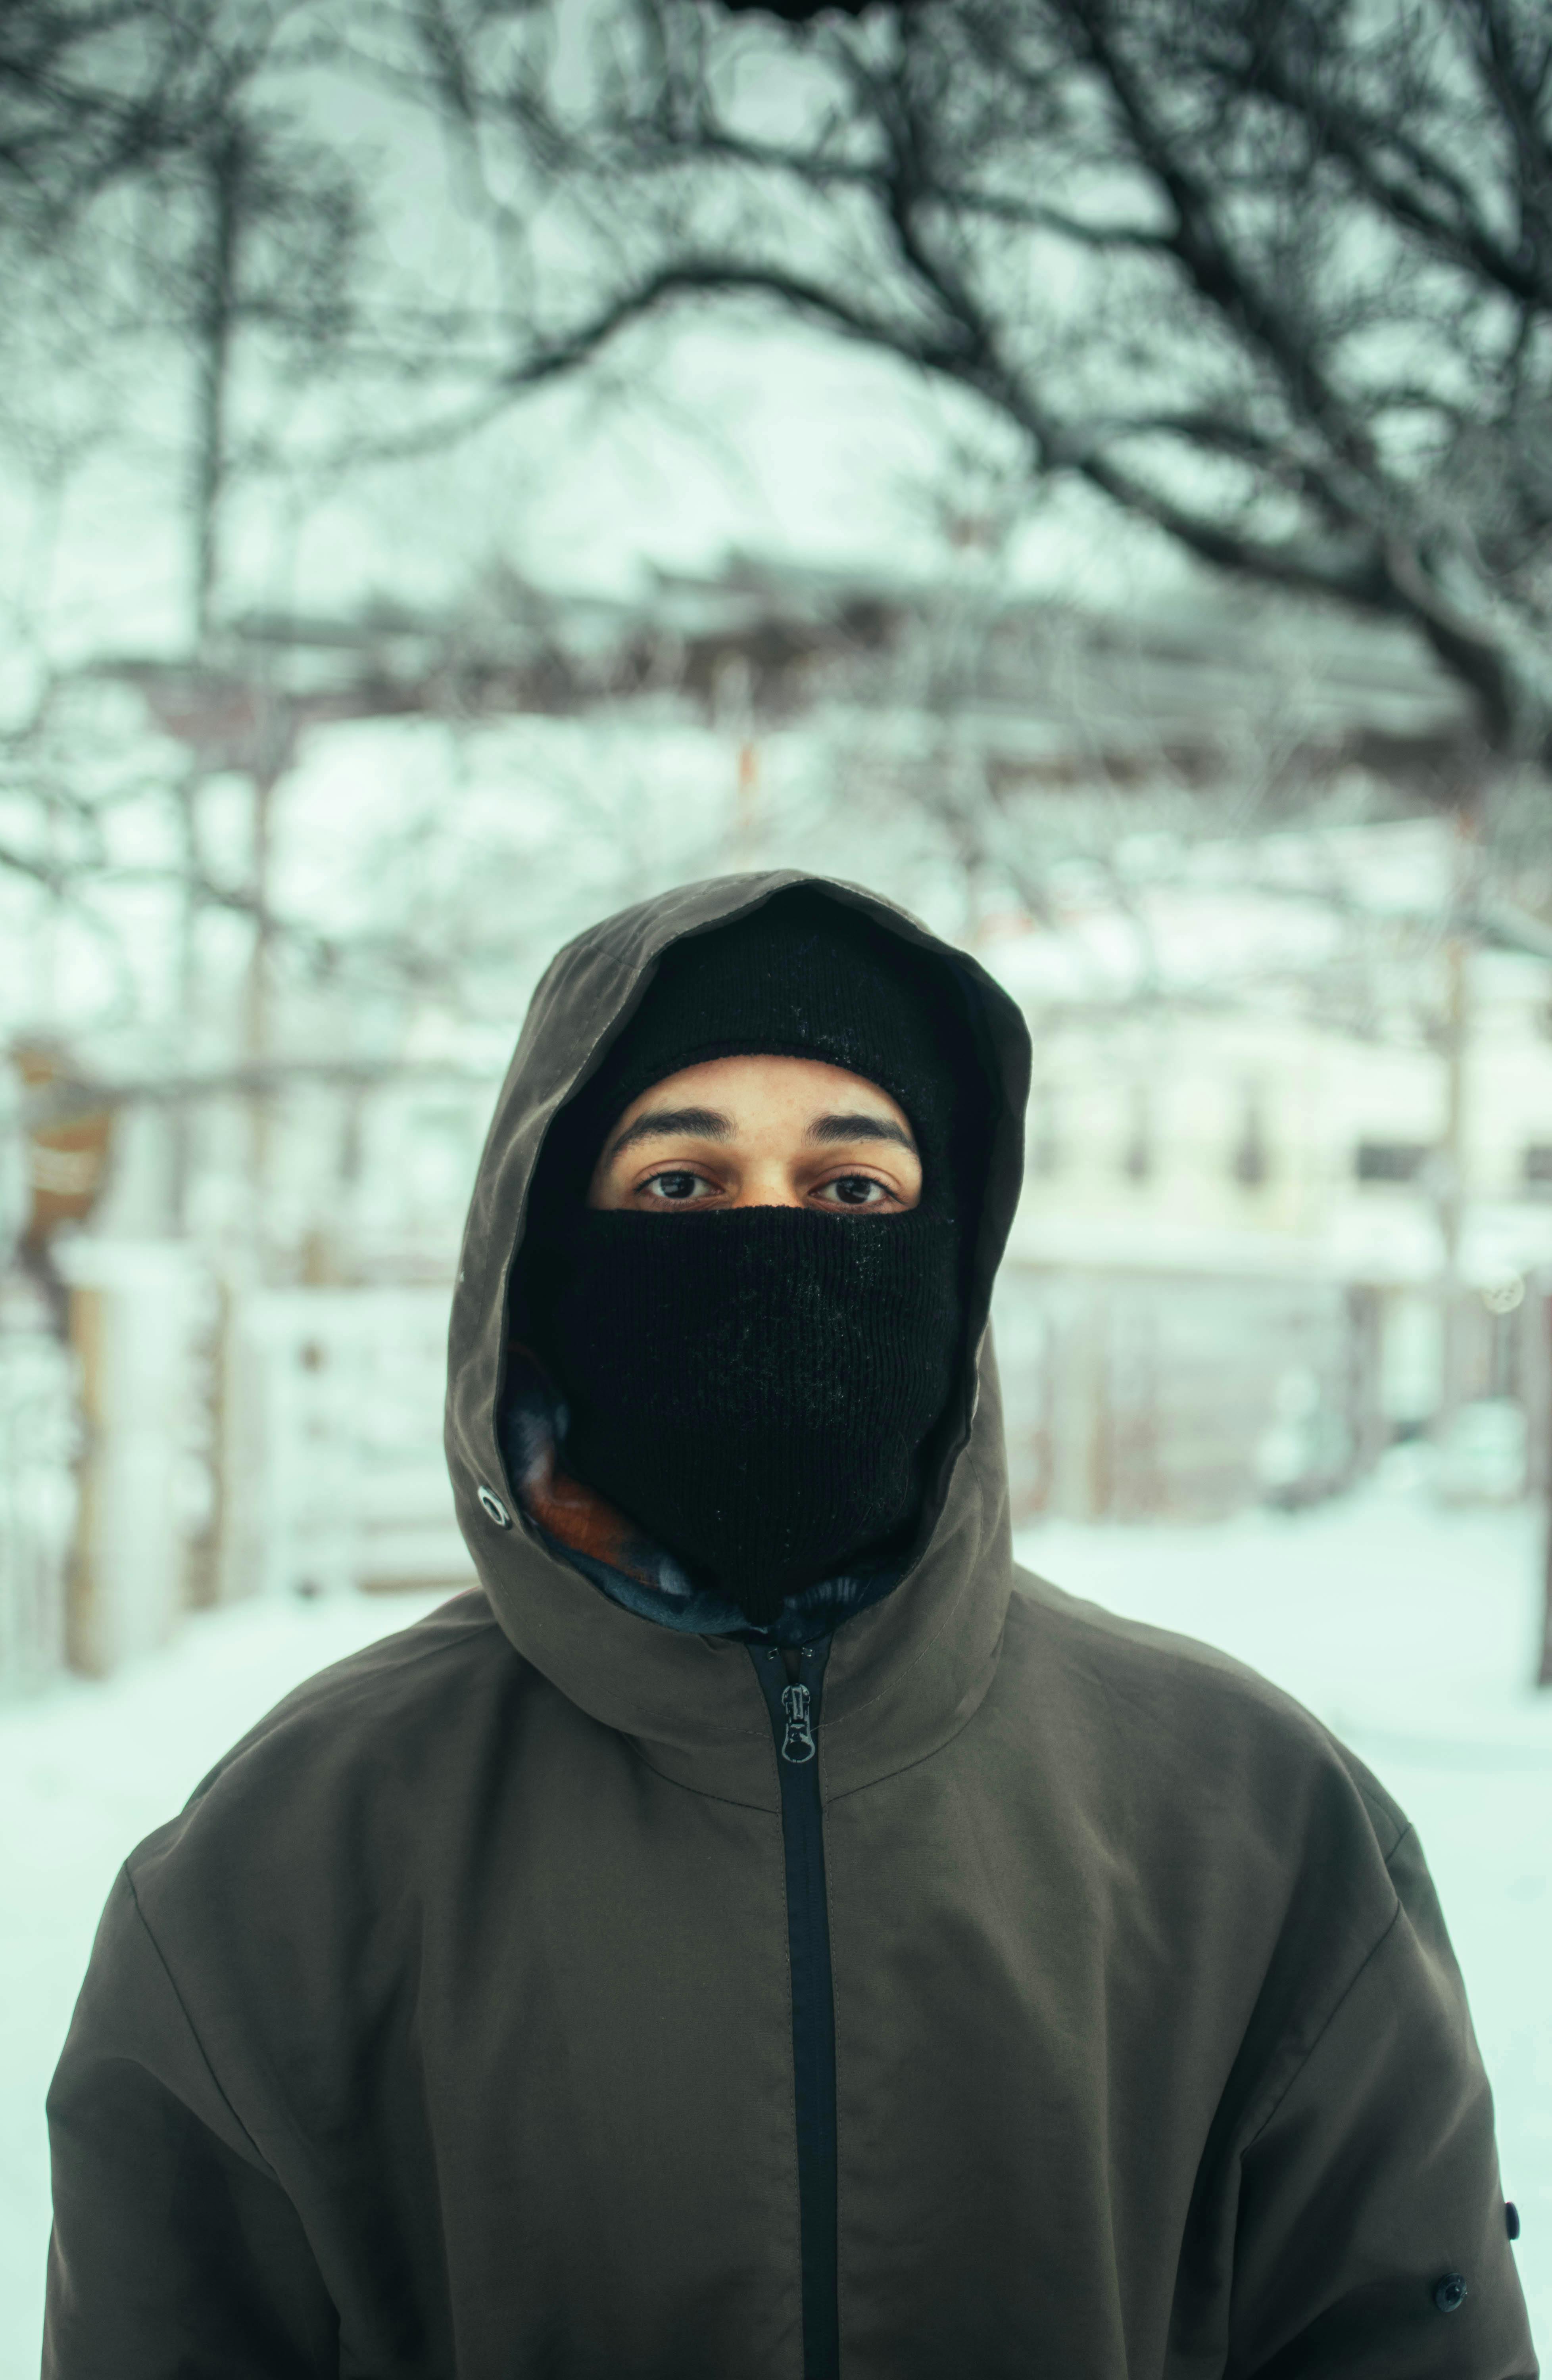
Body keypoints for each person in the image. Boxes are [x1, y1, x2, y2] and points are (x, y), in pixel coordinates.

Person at [43, 874, 1535, 2380]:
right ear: (551, 1256)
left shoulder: (1256, 1827)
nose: (776, 1252)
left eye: (854, 1192)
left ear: (950, 1256)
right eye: (680, 1187)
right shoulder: (289, 1856)